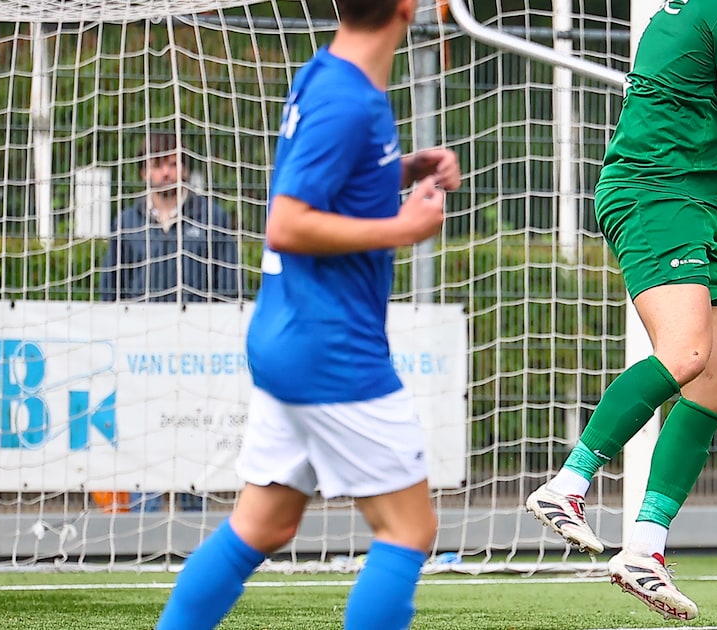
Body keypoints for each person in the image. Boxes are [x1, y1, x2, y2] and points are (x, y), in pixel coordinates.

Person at [525, 3, 717, 621]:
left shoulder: (715, 13)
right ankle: (567, 485)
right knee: (687, 352)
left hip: (690, 202)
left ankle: (643, 550)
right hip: (658, 195)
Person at [154, 0, 460, 628]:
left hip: (288, 339)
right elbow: (288, 223)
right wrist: (403, 228)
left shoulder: (327, 73)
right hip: (332, 350)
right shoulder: (349, 101)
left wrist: (401, 171)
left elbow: (327, 176)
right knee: (409, 529)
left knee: (265, 523)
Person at [98, 131, 241, 303]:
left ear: (185, 170)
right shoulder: (126, 223)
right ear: (144, 173)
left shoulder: (212, 217)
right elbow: (110, 289)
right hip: (141, 325)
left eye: (173, 164)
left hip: (197, 325)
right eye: (158, 165)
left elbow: (230, 286)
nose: (166, 172)